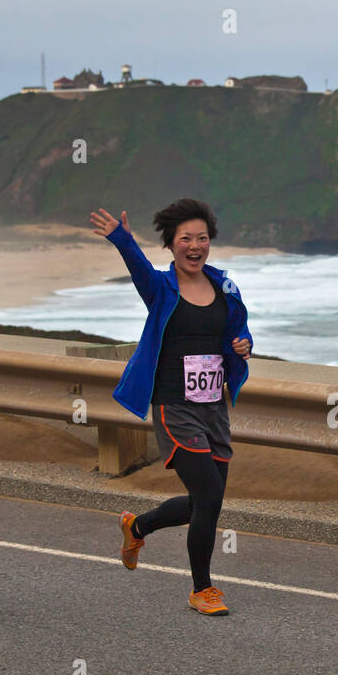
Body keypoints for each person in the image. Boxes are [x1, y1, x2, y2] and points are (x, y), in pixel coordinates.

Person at [90, 199, 253, 616]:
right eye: (186, 239)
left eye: (202, 238)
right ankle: (203, 588)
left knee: (205, 502)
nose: (195, 245)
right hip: (173, 406)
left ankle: (137, 526)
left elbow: (240, 328)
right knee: (210, 494)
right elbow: (139, 269)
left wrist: (244, 344)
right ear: (172, 245)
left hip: (214, 407)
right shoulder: (161, 288)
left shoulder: (225, 287)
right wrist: (121, 239)